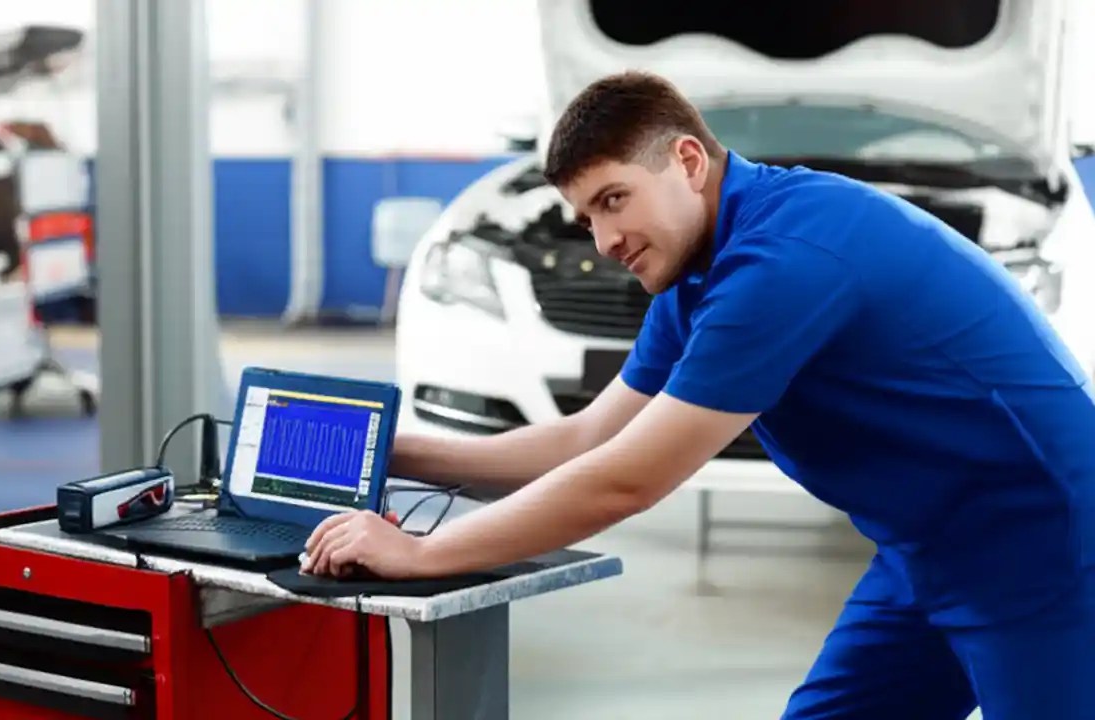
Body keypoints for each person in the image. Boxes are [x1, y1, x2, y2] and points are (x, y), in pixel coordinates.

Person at [302, 70, 1095, 718]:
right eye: (585, 219)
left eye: (614, 200)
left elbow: (628, 479)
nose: (605, 241)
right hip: (928, 546)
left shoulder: (783, 259)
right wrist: (388, 451)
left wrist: (423, 554)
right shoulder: (696, 275)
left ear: (686, 160)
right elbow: (586, 442)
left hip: (1041, 542)